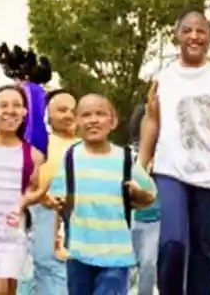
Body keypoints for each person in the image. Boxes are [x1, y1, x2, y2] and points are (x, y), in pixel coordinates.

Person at [138, 7, 210, 295]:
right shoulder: (162, 76)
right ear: (176, 36)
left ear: (209, 38)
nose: (194, 36)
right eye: (187, 30)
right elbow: (152, 120)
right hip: (170, 172)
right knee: (172, 243)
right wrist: (140, 164)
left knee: (204, 252)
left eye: (201, 31)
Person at [47, 94, 157, 295]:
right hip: (79, 252)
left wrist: (139, 195)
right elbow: (58, 198)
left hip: (115, 255)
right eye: (86, 115)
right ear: (77, 121)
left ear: (113, 121)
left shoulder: (125, 159)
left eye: (100, 114)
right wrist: (57, 209)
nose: (93, 120)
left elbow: (150, 195)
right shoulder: (71, 157)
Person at [0, 84, 45, 295]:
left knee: (1, 289)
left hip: (12, 233)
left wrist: (23, 202)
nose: (10, 111)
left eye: (17, 105)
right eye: (3, 105)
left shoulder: (33, 155)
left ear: (25, 112)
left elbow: (36, 191)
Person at [19, 89, 76, 295]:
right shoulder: (39, 145)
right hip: (44, 212)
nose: (69, 115)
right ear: (48, 115)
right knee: (47, 267)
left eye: (73, 111)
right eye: (62, 110)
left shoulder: (86, 146)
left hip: (80, 217)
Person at [127, 103, 159, 295]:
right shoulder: (129, 155)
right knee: (127, 267)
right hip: (131, 218)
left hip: (156, 220)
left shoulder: (167, 157)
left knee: (148, 265)